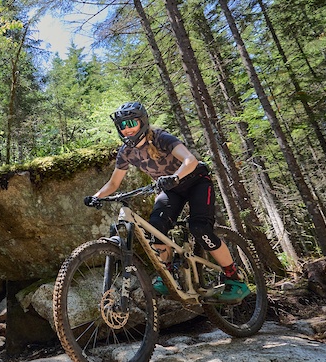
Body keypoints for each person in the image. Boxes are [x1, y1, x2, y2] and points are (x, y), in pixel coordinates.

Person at [83, 101, 249, 302]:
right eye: (122, 125)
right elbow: (113, 183)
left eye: (131, 123)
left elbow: (190, 160)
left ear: (142, 122)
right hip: (170, 190)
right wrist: (96, 196)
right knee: (156, 229)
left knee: (200, 228)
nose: (126, 129)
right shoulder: (126, 152)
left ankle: (234, 278)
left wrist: (175, 177)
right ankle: (168, 275)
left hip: (196, 181)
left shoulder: (161, 138)